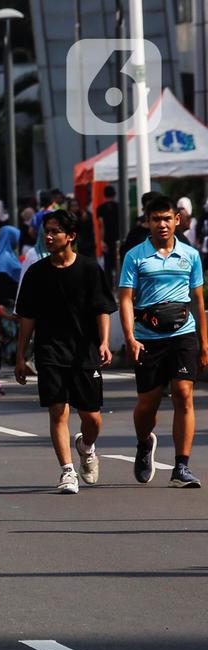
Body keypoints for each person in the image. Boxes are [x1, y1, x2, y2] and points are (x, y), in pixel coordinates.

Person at [14, 209, 117, 494]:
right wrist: (21, 355)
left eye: (55, 231)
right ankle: (67, 471)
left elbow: (102, 309)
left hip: (84, 352)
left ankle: (86, 445)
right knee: (58, 412)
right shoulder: (36, 273)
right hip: (50, 352)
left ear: (70, 236)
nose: (48, 236)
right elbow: (27, 317)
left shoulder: (88, 269)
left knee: (92, 417)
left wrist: (104, 342)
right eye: (46, 230)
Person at [119, 195, 208, 488]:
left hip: (183, 334)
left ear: (177, 220)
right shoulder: (135, 256)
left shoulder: (190, 255)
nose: (162, 224)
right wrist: (130, 337)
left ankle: (181, 467)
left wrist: (204, 343)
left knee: (183, 394)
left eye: (167, 218)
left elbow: (197, 300)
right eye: (156, 219)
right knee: (148, 404)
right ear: (147, 221)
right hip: (147, 338)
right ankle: (144, 443)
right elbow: (126, 300)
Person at [97, 185, 122, 276]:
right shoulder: (119, 206)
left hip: (107, 239)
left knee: (108, 264)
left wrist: (102, 241)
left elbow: (101, 225)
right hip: (119, 237)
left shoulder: (100, 208)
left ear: (104, 195)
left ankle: (110, 286)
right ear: (114, 194)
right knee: (118, 263)